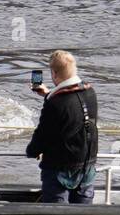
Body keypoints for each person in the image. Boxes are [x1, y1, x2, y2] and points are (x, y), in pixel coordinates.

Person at [26, 50, 98, 204]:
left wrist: (32, 151)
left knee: (57, 214)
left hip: (60, 170)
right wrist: (48, 94)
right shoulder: (90, 92)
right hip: (87, 166)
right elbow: (72, 109)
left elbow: (42, 135)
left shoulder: (55, 103)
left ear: (54, 73)